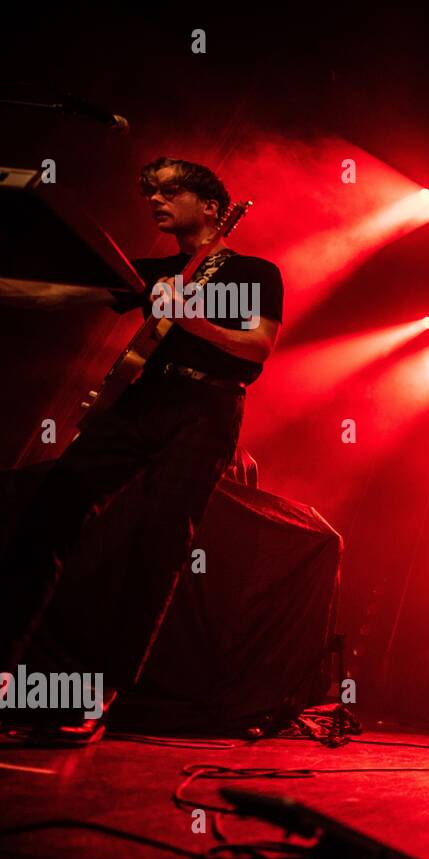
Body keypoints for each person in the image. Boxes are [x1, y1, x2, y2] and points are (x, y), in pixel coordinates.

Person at [0, 157, 283, 745]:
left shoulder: (254, 271)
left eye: (171, 191)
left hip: (206, 409)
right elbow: (58, 294)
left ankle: (97, 696)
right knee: (49, 515)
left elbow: (255, 348)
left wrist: (187, 317)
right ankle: (9, 675)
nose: (156, 200)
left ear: (212, 208)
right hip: (140, 399)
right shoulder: (155, 270)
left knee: (159, 544)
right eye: (151, 192)